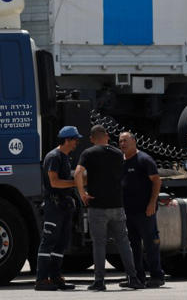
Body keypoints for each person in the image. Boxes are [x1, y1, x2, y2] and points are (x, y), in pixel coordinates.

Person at [74, 125, 144, 291]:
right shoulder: (118, 153)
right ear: (106, 136)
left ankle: (99, 281)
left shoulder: (88, 153)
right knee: (123, 242)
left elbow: (77, 173)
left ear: (92, 139)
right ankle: (133, 278)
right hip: (117, 205)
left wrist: (82, 194)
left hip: (97, 206)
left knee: (99, 244)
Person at [34, 126, 83, 291]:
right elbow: (54, 182)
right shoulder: (54, 157)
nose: (77, 142)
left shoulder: (65, 157)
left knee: (61, 242)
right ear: (67, 140)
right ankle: (41, 279)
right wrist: (76, 183)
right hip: (53, 206)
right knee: (48, 242)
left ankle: (55, 277)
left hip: (63, 205)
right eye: (75, 139)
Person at [118, 131, 165, 287]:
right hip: (127, 211)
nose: (122, 144)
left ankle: (157, 276)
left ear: (134, 141)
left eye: (125, 140)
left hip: (145, 211)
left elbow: (156, 181)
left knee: (151, 244)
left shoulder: (144, 159)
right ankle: (137, 278)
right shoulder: (121, 161)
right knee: (133, 246)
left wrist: (152, 203)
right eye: (120, 141)